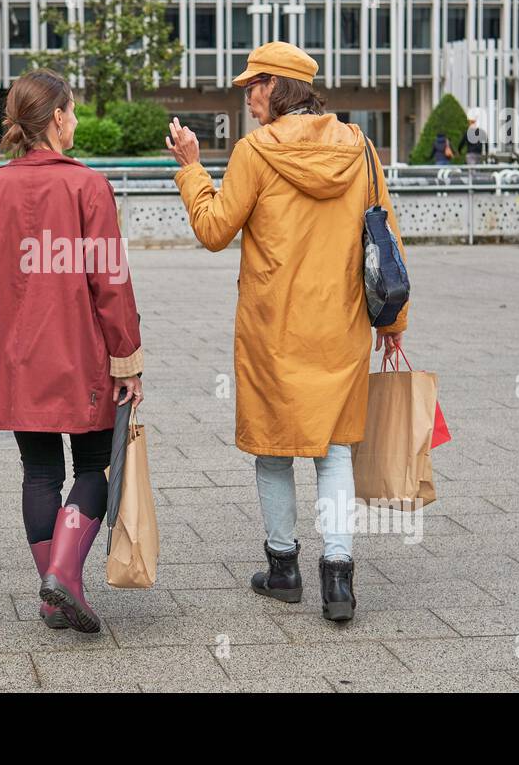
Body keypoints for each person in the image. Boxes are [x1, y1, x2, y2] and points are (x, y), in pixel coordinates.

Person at [166, 42, 410, 623]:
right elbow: (385, 241)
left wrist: (192, 169)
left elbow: (214, 229)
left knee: (274, 451)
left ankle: (283, 570)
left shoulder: (255, 153)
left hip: (273, 328)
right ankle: (339, 577)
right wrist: (394, 323)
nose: (247, 96)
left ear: (278, 87)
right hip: (341, 324)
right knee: (333, 451)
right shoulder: (361, 150)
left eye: (254, 85)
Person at [0, 68, 144, 634]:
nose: (78, 120)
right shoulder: (88, 186)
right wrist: (127, 358)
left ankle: (51, 591)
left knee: (38, 472)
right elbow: (110, 281)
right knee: (94, 464)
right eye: (74, 111)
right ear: (58, 117)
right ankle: (64, 573)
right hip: (81, 352)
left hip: (17, 357)